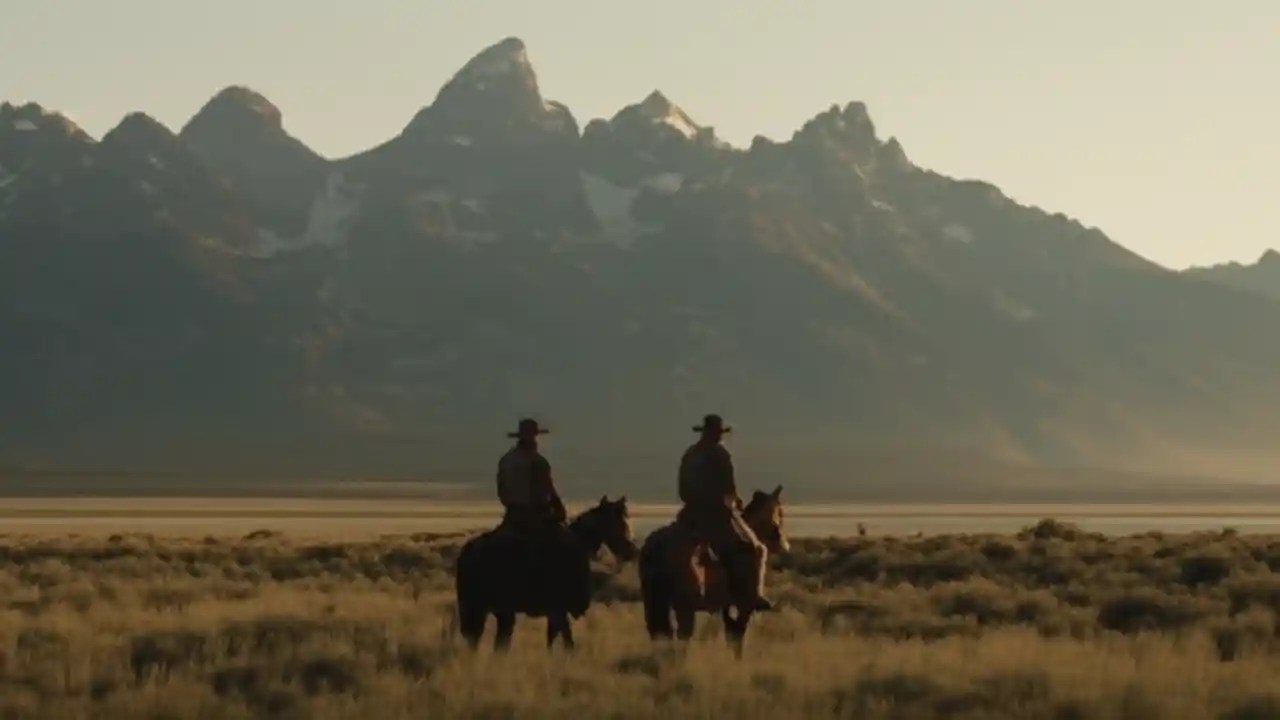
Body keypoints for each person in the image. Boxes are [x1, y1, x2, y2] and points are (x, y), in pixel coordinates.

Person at [676, 414, 774, 612]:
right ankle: (755, 595)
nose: (720, 437)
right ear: (716, 433)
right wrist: (735, 502)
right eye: (719, 433)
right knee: (756, 549)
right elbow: (729, 489)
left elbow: (682, 489)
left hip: (690, 513)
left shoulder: (690, 454)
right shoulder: (720, 455)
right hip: (716, 514)